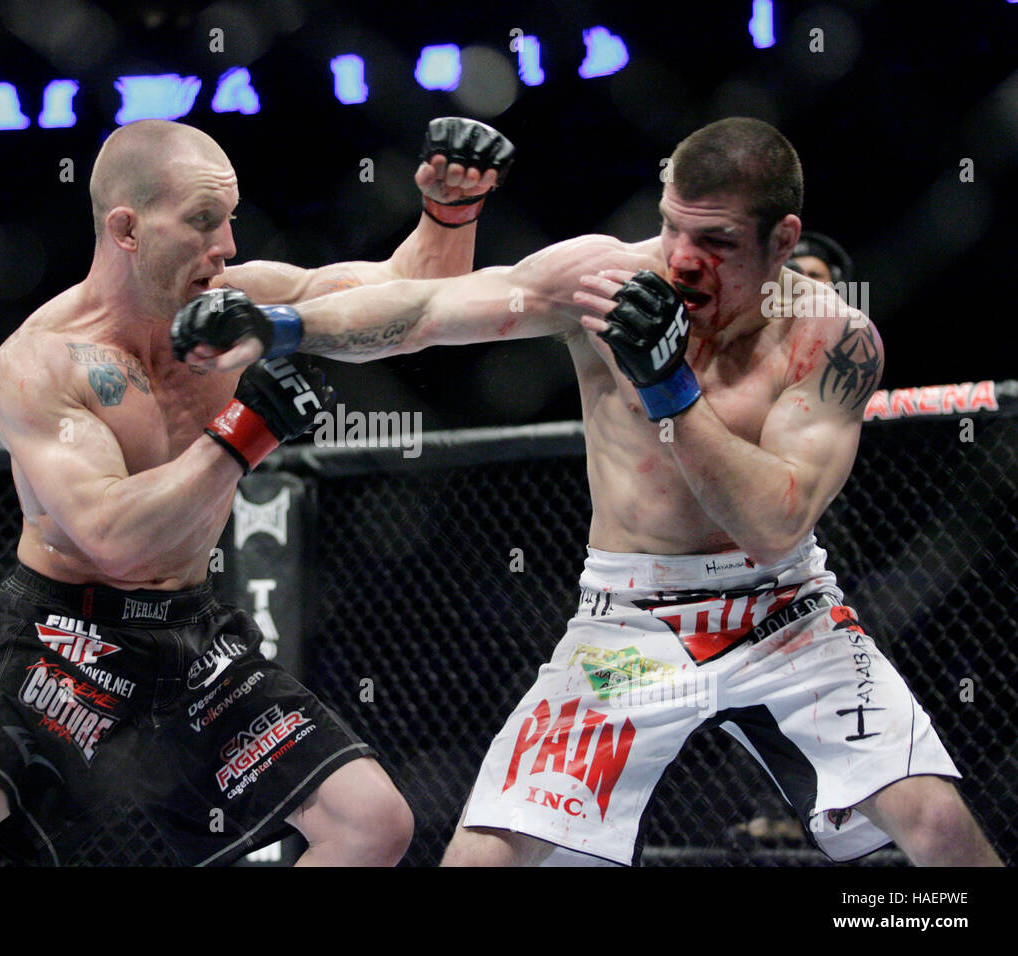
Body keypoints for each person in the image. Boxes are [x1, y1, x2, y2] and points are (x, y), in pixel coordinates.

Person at [171, 116, 1002, 866]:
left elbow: (775, 524)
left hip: (783, 612)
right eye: (673, 225)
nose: (680, 258)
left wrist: (670, 385)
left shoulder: (831, 337)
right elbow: (426, 308)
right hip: (628, 621)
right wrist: (280, 326)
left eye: (713, 240)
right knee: (481, 861)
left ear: (782, 239)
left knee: (939, 829)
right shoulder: (602, 281)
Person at [0, 115, 514, 867]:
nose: (229, 246)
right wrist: (251, 428)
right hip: (64, 635)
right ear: (128, 228)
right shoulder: (42, 362)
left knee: (371, 821)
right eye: (204, 221)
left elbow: (406, 306)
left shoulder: (238, 310)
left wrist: (449, 214)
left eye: (230, 219)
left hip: (190, 634)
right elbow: (111, 535)